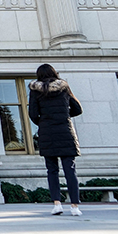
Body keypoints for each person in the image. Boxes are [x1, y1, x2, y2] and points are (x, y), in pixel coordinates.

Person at [28, 64, 83, 216]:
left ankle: (57, 204)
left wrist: (44, 122)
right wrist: (63, 116)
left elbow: (32, 113)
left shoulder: (35, 90)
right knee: (70, 170)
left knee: (52, 170)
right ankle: (74, 206)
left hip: (47, 132)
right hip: (65, 130)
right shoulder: (64, 88)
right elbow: (78, 109)